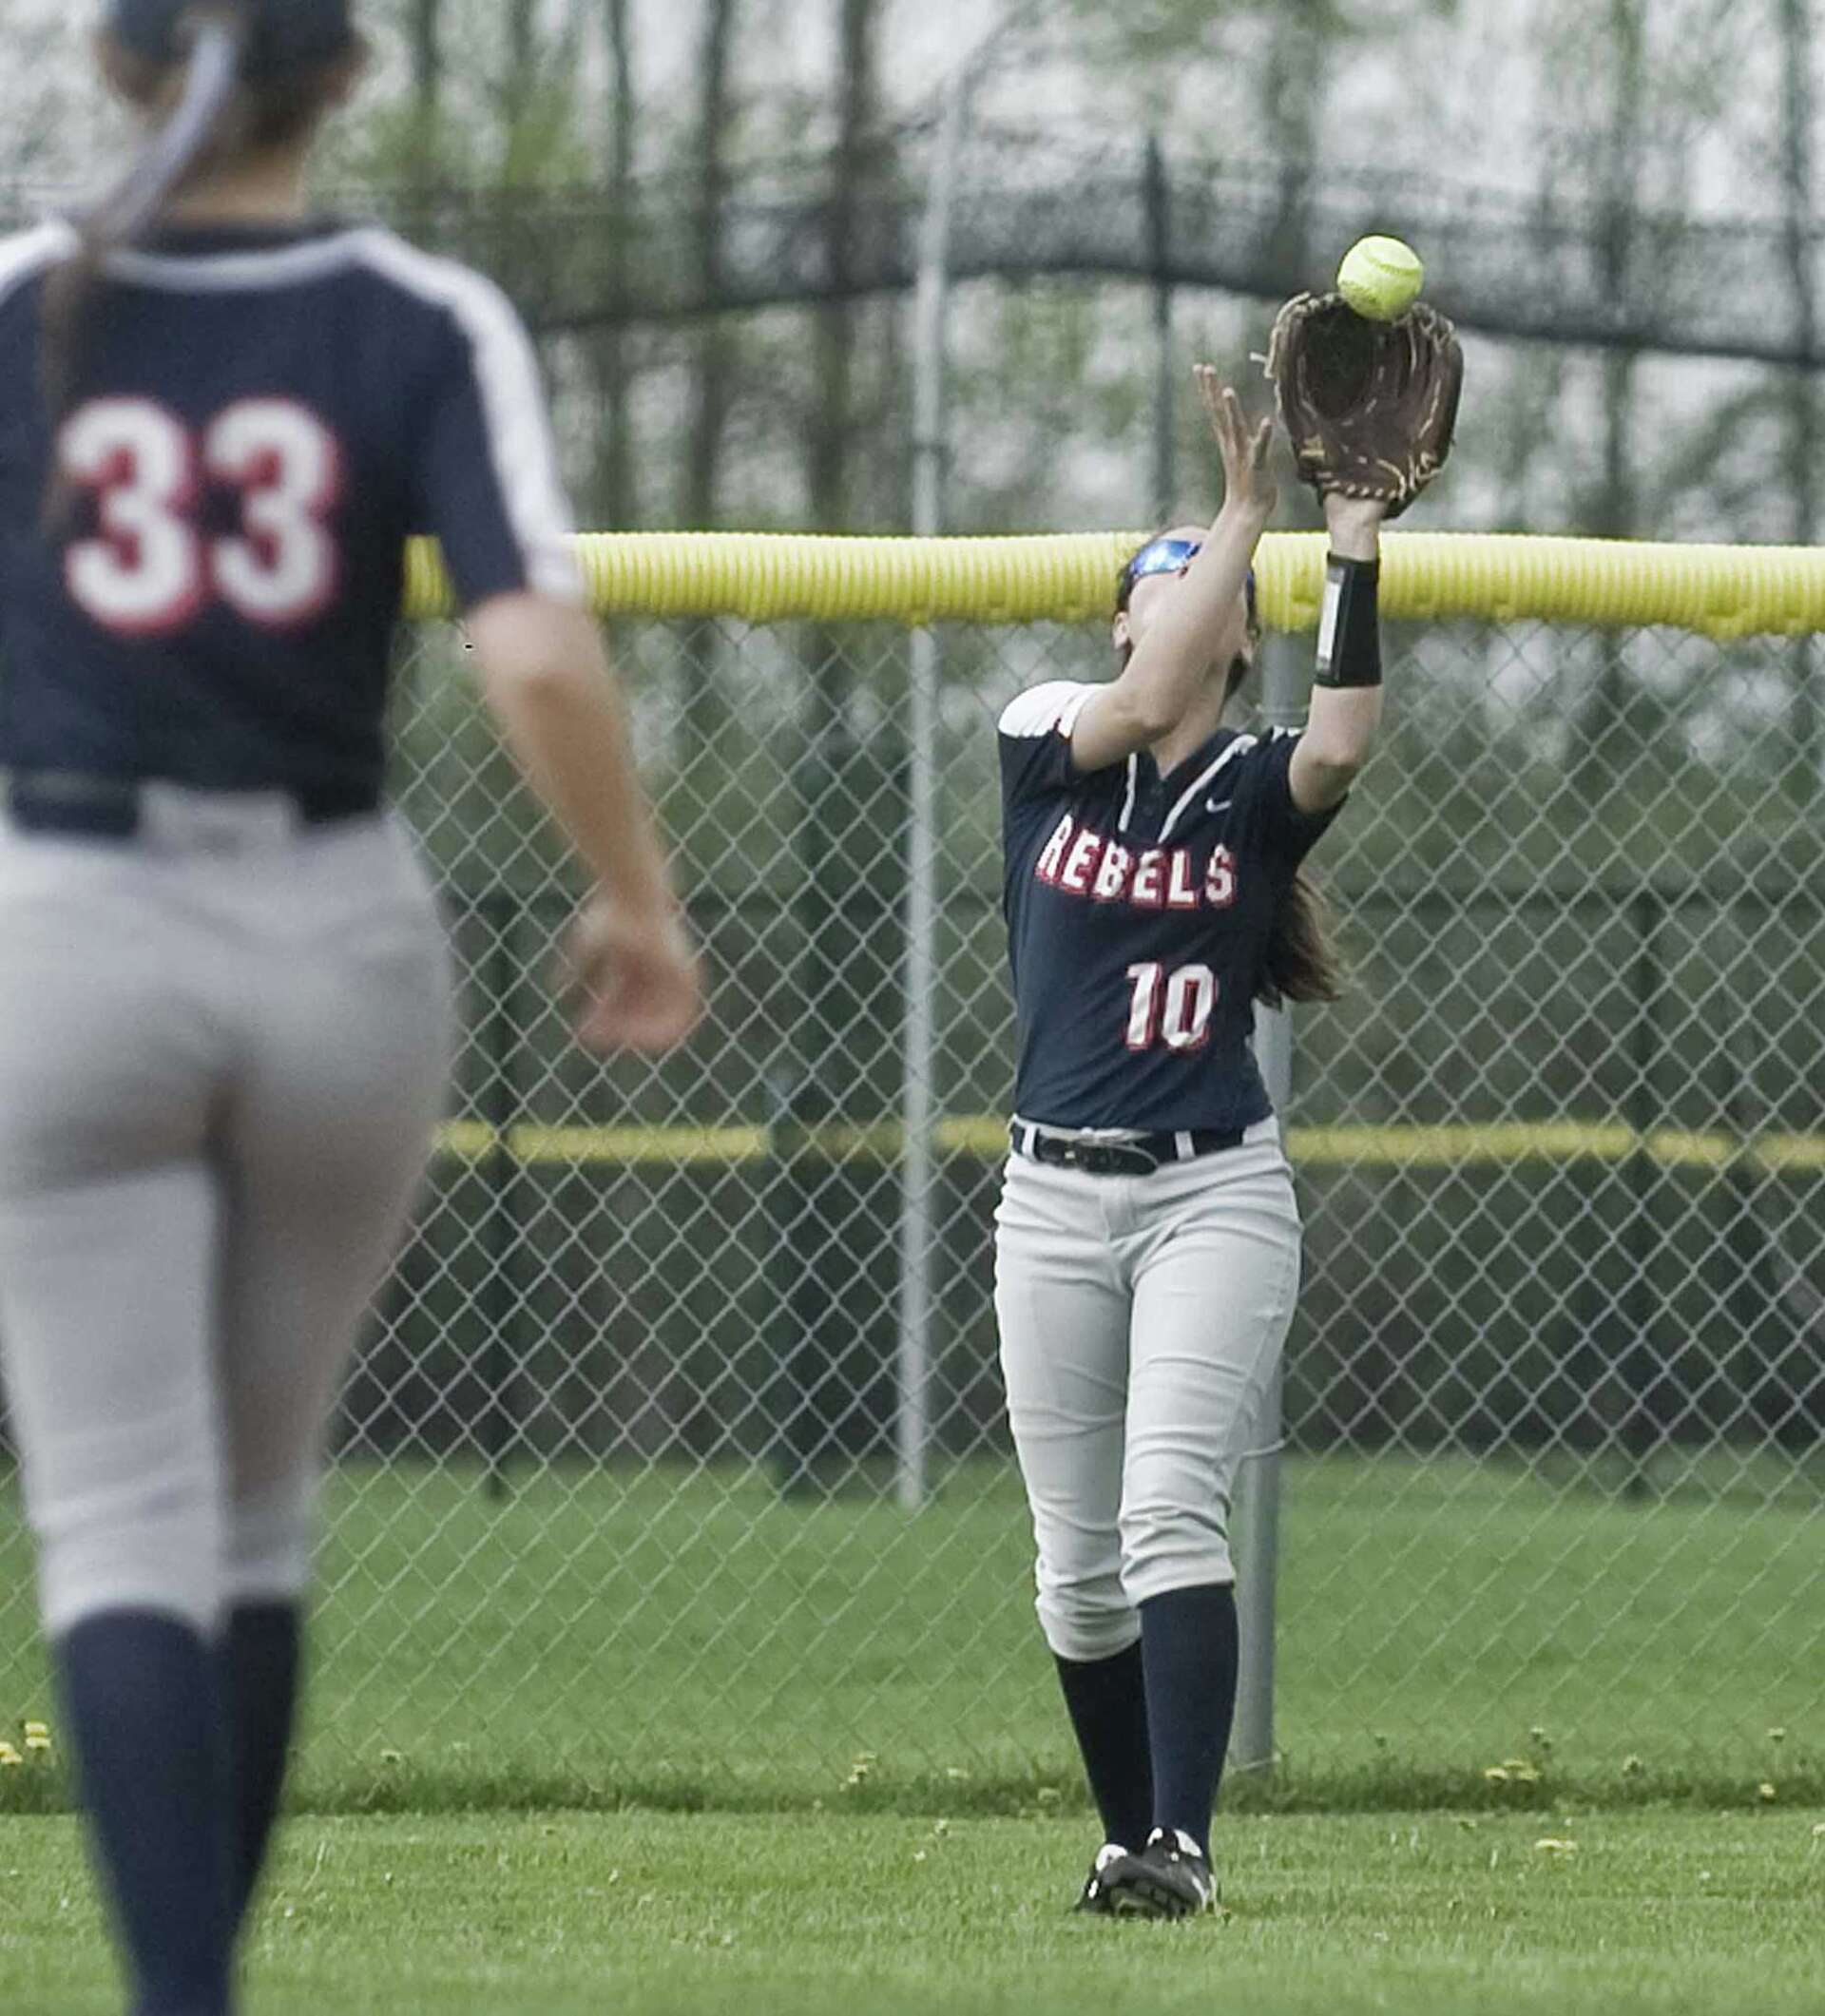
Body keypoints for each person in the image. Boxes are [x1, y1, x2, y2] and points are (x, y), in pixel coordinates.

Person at [0, 4, 701, 2009]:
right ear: (349, 75)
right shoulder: (415, 312)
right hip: (332, 929)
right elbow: (540, 662)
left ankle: (181, 2000)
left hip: (61, 914)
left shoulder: (28, 300)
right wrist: (636, 895)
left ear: (124, 71)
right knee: (254, 1508)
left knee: (121, 1510)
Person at [992, 367, 1387, 1917]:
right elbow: (1146, 703)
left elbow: (1345, 739)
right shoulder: (1041, 739)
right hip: (1049, 1196)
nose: (1168, 612)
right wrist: (1237, 514)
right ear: (1116, 630)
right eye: (1144, 590)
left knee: (1168, 1505)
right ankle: (1127, 1834)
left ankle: (1185, 1846)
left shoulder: (1248, 787)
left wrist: (1345, 543)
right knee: (1074, 1570)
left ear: (1239, 630)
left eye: (1202, 590)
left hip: (1210, 1193)